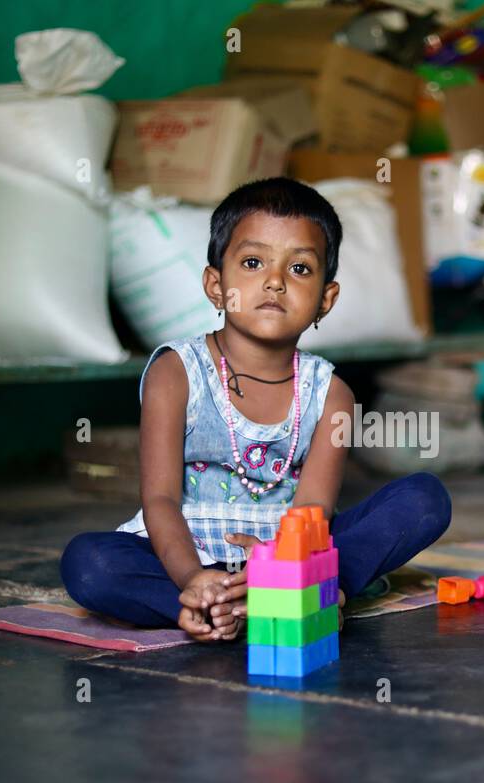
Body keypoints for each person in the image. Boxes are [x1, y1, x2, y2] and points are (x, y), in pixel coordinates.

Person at [61, 177, 451, 640]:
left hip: (291, 557)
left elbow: (312, 508)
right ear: (215, 284)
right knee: (89, 564)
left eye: (301, 269)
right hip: (184, 550)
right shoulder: (176, 372)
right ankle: (212, 607)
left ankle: (304, 593)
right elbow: (159, 500)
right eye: (252, 262)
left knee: (425, 500)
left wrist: (283, 568)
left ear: (326, 299)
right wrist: (191, 578)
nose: (274, 281)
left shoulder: (331, 394)